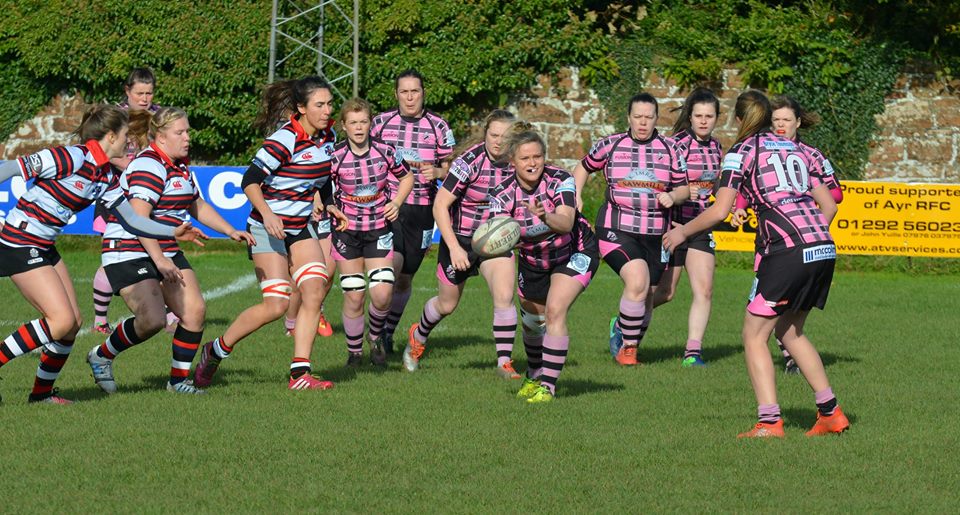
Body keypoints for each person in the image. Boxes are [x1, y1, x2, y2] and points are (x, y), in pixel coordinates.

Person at [663, 90, 850, 438]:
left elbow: (720, 210)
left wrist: (681, 232)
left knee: (753, 335)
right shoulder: (797, 149)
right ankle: (831, 413)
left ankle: (769, 422)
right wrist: (810, 236)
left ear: (738, 120)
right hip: (823, 247)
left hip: (789, 251)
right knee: (790, 331)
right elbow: (830, 205)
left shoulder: (741, 152)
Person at [0, 104, 204, 404]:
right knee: (60, 320)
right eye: (125, 135)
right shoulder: (70, 157)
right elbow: (8, 169)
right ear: (110, 136)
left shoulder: (106, 176)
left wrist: (172, 232)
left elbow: (132, 220)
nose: (129, 142)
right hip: (19, 241)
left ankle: (41, 395)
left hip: (44, 245)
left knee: (72, 324)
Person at [85, 107, 255, 395]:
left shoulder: (180, 165)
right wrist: (159, 259)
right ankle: (102, 355)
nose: (187, 137)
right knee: (152, 320)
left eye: (187, 131)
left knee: (194, 311)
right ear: (161, 137)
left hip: (163, 245)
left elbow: (195, 204)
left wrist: (229, 230)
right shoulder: (149, 166)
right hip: (128, 247)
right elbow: (138, 219)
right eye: (180, 132)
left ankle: (178, 382)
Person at [192, 76, 346, 391]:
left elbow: (323, 178)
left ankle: (299, 373)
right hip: (267, 228)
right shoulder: (284, 139)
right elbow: (249, 181)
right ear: (301, 108)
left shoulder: (328, 136)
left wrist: (329, 204)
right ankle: (216, 349)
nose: (327, 110)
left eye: (330, 104)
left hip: (300, 227)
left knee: (315, 289)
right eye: (320, 105)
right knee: (276, 305)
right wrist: (268, 213)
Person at [573, 93, 689, 366]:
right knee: (637, 282)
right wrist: (575, 196)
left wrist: (673, 196)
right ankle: (629, 350)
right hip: (616, 227)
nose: (643, 122)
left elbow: (684, 188)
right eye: (638, 117)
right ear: (629, 117)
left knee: (648, 295)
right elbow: (583, 167)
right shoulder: (611, 144)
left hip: (657, 234)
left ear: (656, 119)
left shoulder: (671, 149)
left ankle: (622, 329)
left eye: (648, 117)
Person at [732, 95, 845, 374]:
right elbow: (747, 186)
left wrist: (798, 202)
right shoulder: (761, 151)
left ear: (798, 122)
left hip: (796, 241)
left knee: (770, 308)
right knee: (768, 303)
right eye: (775, 120)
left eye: (786, 119)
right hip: (771, 239)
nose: (780, 125)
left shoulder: (810, 154)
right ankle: (790, 356)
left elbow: (835, 195)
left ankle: (791, 358)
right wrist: (740, 207)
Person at [403, 109, 519, 377]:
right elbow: (440, 205)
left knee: (504, 297)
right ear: (485, 133)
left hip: (494, 240)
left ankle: (504, 363)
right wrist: (454, 248)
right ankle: (418, 336)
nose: (498, 141)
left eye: (505, 136)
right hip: (460, 239)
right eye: (494, 135)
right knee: (447, 305)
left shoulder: (516, 162)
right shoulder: (468, 162)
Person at [490, 122, 599, 403]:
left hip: (575, 251)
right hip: (533, 259)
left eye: (537, 156)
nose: (532, 163)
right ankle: (534, 373)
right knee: (532, 323)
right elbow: (499, 236)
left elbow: (566, 223)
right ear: (512, 161)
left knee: (554, 311)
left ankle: (547, 387)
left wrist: (544, 216)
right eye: (525, 158)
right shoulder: (500, 194)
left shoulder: (561, 180)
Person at [370, 69, 456, 353]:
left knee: (405, 277)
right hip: (389, 206)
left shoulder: (439, 126)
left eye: (414, 91)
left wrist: (438, 172)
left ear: (423, 93)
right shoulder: (380, 123)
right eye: (404, 92)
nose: (409, 97)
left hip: (422, 210)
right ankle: (375, 334)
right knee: (391, 269)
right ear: (396, 94)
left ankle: (387, 333)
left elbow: (451, 169)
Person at [328, 98, 413, 366]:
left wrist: (396, 203)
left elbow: (407, 177)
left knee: (383, 293)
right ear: (344, 126)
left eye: (363, 121)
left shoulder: (385, 151)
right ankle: (354, 353)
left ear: (370, 123)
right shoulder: (334, 156)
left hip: (378, 229)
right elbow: (320, 186)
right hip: (347, 233)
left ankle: (375, 337)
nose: (358, 127)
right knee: (354, 296)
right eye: (353, 122)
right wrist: (326, 205)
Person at [91, 67, 168, 335]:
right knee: (113, 257)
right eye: (139, 93)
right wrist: (132, 166)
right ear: (127, 91)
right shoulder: (115, 116)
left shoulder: (158, 116)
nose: (145, 99)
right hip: (115, 195)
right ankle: (100, 320)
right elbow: (100, 150)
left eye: (149, 93)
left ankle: (167, 312)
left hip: (146, 196)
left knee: (155, 251)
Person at [649, 88, 723, 367]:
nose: (704, 121)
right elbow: (660, 181)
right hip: (674, 225)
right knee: (666, 293)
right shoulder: (675, 145)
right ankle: (624, 322)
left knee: (704, 290)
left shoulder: (716, 147)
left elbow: (715, 184)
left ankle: (693, 353)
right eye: (699, 116)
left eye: (709, 116)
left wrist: (734, 205)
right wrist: (676, 195)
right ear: (690, 117)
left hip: (701, 225)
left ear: (716, 118)